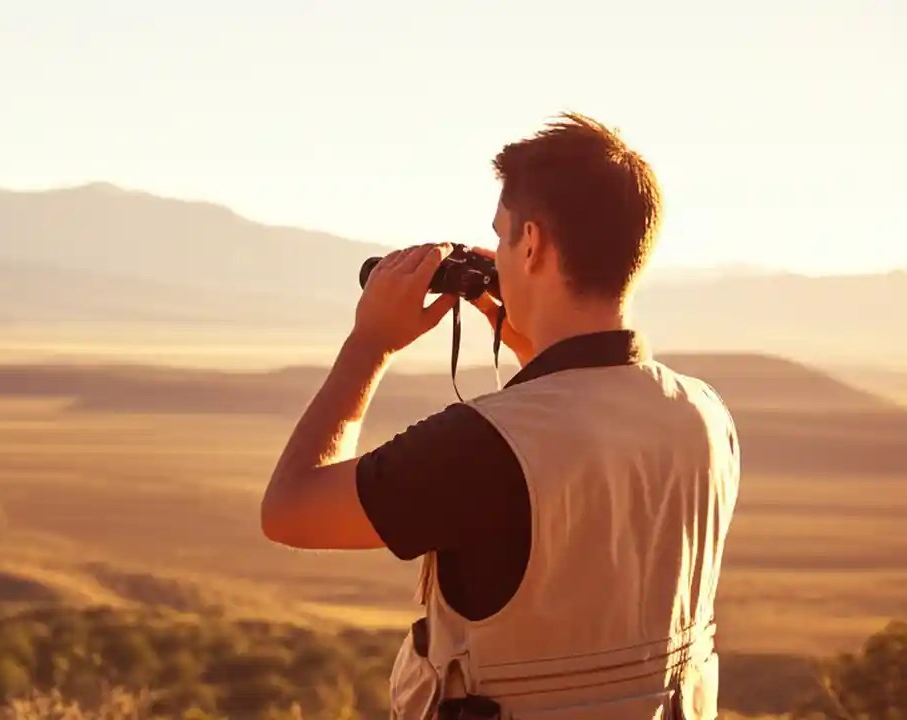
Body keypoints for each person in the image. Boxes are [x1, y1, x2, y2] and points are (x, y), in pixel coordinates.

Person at [260, 112, 740, 719]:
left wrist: (369, 345)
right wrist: (543, 355)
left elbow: (290, 511)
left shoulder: (487, 445)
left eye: (503, 236)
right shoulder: (704, 415)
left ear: (533, 244)